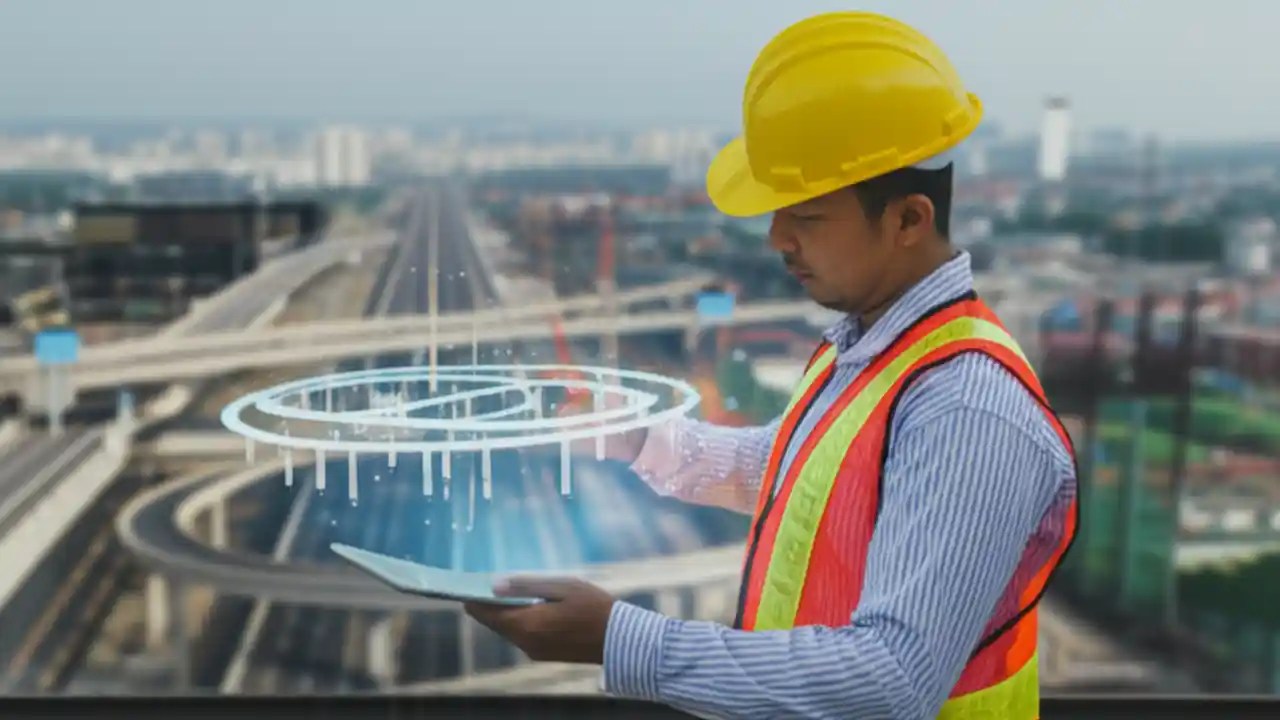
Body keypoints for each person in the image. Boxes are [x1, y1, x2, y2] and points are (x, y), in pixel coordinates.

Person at [466, 11, 1079, 719]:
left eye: (809, 216)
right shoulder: (867, 346)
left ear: (909, 220)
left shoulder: (967, 409)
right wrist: (640, 440)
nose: (777, 237)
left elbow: (891, 681)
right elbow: (810, 481)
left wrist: (620, 639)